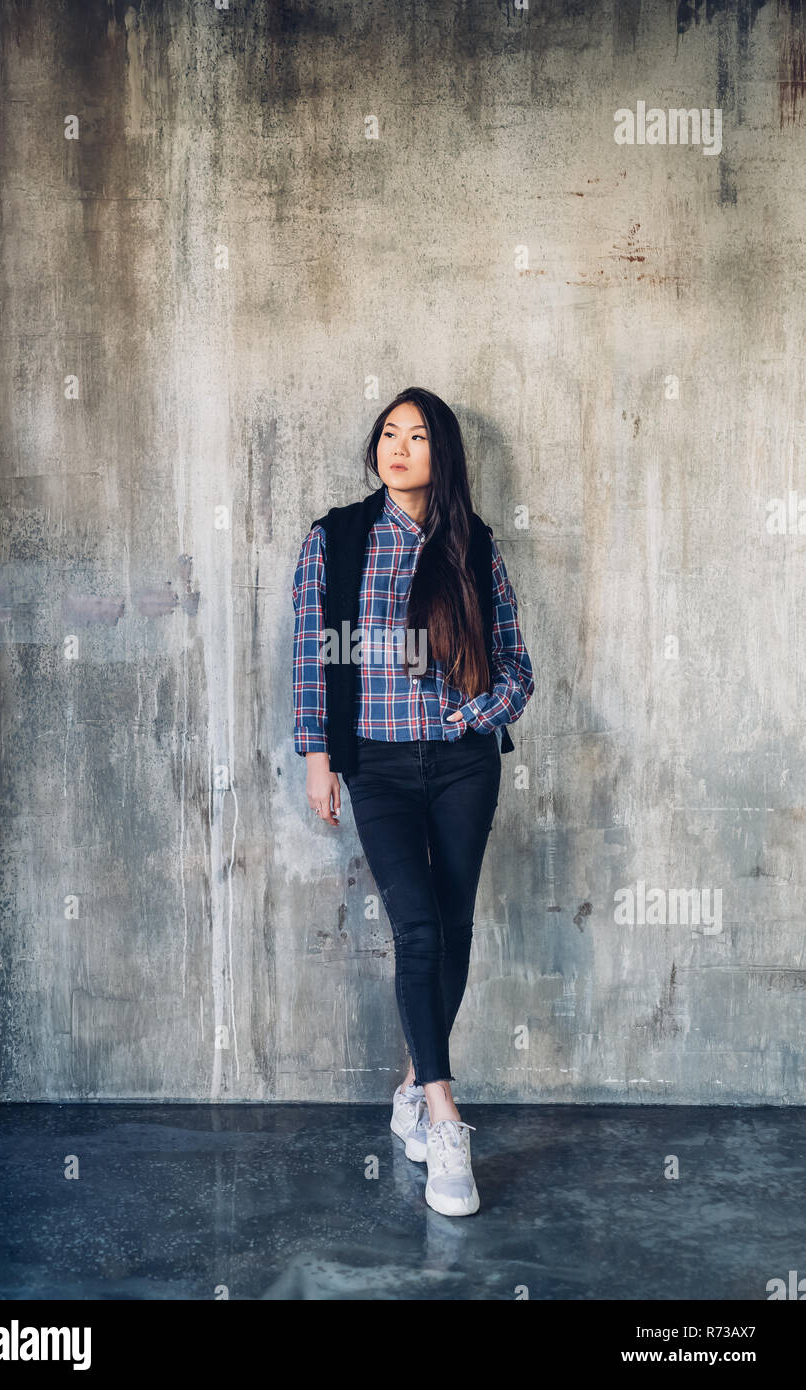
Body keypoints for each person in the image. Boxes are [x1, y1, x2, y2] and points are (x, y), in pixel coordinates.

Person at [291, 387, 534, 1216]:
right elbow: (310, 654)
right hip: (381, 770)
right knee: (418, 926)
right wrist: (319, 756)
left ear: (443, 455)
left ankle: (409, 1086)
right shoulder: (337, 539)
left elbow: (517, 669)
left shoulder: (473, 546)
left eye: (417, 435)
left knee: (455, 930)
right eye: (388, 433)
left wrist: (472, 717)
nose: (398, 447)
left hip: (465, 767)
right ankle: (444, 1119)